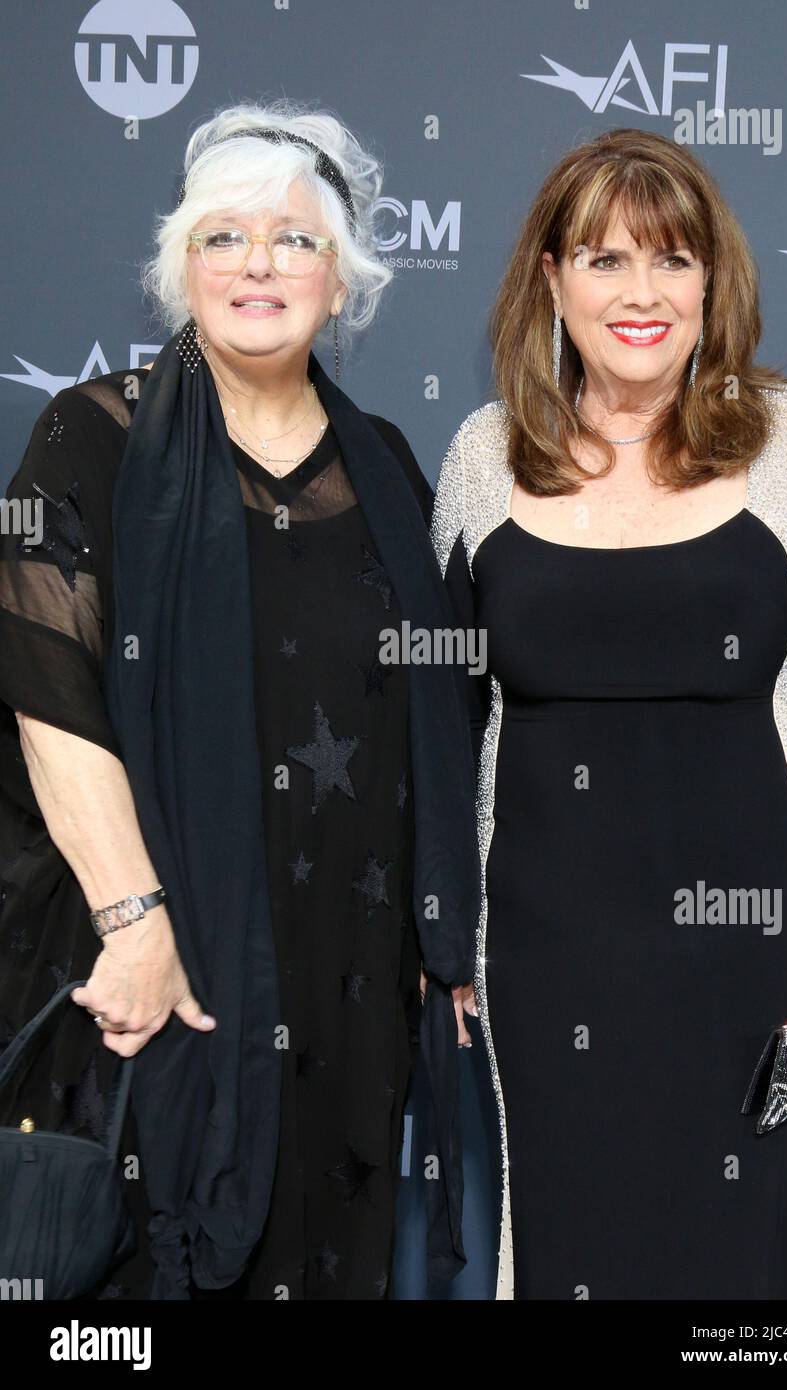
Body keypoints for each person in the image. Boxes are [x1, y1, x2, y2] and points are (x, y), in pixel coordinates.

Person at [0, 101, 479, 1300]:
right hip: (159, 968)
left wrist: (437, 932)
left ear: (346, 278)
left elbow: (426, 725)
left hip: (349, 982)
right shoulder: (93, 440)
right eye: (223, 237)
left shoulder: (385, 465)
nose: (256, 265)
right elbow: (47, 702)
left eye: (294, 239)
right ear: (179, 267)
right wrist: (135, 922)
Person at [432, 126, 787, 1299]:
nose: (640, 293)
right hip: (540, 956)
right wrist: (444, 935)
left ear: (712, 283)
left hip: (754, 950)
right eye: (605, 259)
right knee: (562, 1243)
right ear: (548, 279)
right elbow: (442, 723)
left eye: (672, 261)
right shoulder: (483, 460)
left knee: (739, 1261)